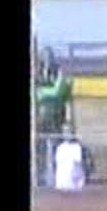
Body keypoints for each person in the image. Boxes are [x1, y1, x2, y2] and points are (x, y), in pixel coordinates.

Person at [35, 48, 73, 188]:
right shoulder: (35, 73)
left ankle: (59, 177)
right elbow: (36, 93)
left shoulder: (58, 73)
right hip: (38, 118)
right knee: (39, 149)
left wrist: (45, 93)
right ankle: (39, 177)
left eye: (49, 58)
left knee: (57, 147)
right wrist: (49, 92)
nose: (47, 61)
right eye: (44, 58)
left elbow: (60, 91)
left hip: (56, 116)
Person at [53, 123, 92, 192]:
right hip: (61, 183)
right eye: (64, 131)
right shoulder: (58, 147)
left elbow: (80, 165)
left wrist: (78, 180)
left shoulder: (78, 147)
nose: (66, 134)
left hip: (74, 184)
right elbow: (55, 164)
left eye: (68, 131)